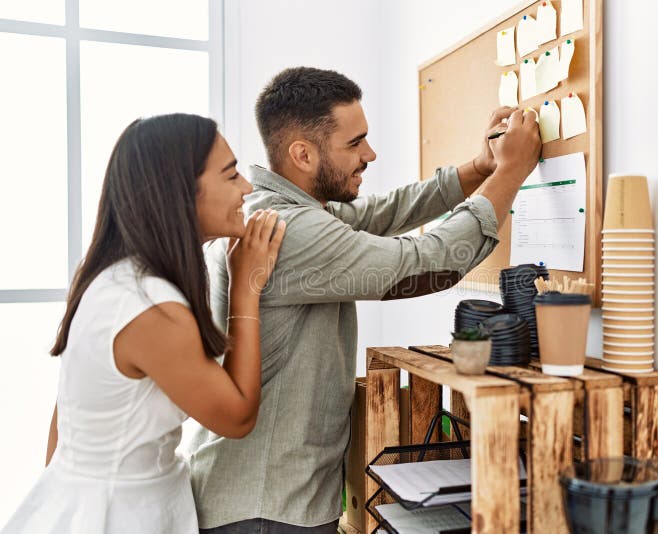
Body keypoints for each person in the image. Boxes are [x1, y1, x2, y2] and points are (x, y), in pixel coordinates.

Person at [188, 67, 541, 533]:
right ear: (303, 154)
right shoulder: (289, 230)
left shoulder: (290, 210)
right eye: (354, 144)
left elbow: (381, 212)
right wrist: (512, 171)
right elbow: (425, 263)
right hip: (264, 508)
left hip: (264, 498)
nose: (369, 154)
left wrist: (480, 169)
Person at [1, 113, 285, 534]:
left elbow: (64, 419)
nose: (246, 187)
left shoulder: (117, 277)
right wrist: (247, 288)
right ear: (180, 194)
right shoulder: (147, 307)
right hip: (115, 516)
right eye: (231, 175)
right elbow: (237, 416)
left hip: (106, 504)